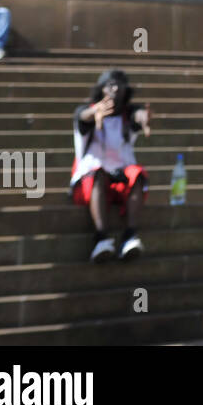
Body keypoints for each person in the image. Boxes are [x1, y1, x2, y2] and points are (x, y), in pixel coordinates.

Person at [70, 69, 152, 262]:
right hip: (91, 181)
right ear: (102, 89)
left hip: (119, 179)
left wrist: (144, 118)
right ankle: (101, 239)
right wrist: (95, 112)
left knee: (138, 174)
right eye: (110, 85)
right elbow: (84, 116)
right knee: (97, 173)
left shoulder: (128, 114)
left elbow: (138, 115)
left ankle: (130, 236)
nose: (115, 88)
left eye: (119, 85)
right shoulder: (85, 110)